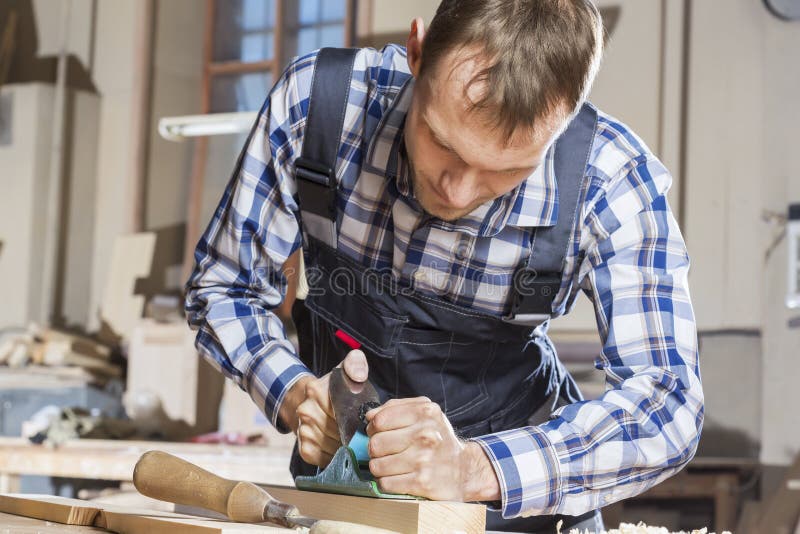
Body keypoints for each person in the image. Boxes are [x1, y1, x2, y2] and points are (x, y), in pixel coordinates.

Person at [185, 1, 704, 531]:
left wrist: (471, 468)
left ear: (563, 120)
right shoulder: (318, 106)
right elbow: (224, 286)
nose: (456, 191)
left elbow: (668, 404)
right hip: (350, 512)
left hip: (513, 514)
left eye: (505, 172)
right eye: (441, 141)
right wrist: (296, 395)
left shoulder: (610, 181)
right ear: (418, 50)